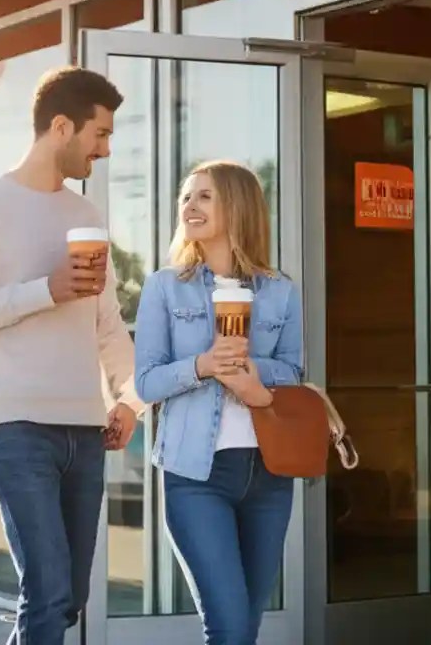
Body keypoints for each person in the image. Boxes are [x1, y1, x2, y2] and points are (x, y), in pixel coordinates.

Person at [0, 66, 143, 645]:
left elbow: (107, 324)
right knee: (47, 593)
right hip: (12, 426)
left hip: (84, 430)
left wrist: (129, 400)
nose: (106, 149)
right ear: (61, 126)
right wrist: (45, 290)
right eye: (99, 134)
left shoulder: (86, 217)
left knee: (68, 599)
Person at [133, 161, 304, 645]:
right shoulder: (164, 287)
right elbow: (145, 383)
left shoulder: (280, 290)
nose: (189, 205)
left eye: (205, 196)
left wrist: (256, 385)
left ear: (239, 205)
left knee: (244, 630)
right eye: (186, 197)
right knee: (228, 628)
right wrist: (203, 366)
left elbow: (294, 372)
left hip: (270, 476)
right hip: (195, 477)